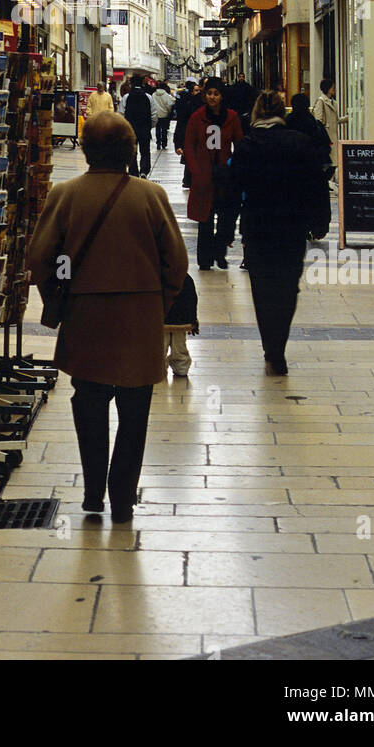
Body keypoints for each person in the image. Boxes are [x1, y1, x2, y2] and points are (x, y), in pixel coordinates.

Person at [28, 111, 188, 522]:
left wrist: (59, 295)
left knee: (90, 403)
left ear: (86, 150)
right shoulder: (151, 196)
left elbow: (41, 257)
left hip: (87, 317)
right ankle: (121, 498)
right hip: (140, 318)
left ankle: (93, 492)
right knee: (136, 412)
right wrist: (157, 303)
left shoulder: (65, 195)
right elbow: (176, 262)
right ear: (131, 150)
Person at [230, 90, 331, 376]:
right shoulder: (300, 143)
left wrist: (225, 228)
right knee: (287, 286)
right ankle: (279, 347)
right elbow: (317, 184)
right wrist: (320, 221)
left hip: (258, 227)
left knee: (262, 289)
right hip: (292, 226)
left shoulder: (247, 146)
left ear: (257, 113)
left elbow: (233, 190)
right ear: (281, 114)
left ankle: (269, 345)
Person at [185, 77, 243, 270]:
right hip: (204, 175)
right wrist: (195, 171)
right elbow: (189, 146)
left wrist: (234, 168)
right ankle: (205, 260)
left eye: (216, 94)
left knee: (226, 219)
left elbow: (240, 145)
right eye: (209, 93)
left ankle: (220, 251)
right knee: (205, 219)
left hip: (225, 176)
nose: (212, 97)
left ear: (222, 96)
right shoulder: (197, 117)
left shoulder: (232, 118)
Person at [120, 73, 155, 178]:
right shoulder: (148, 97)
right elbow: (154, 115)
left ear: (131, 84)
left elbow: (121, 114)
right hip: (144, 129)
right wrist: (150, 126)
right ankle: (144, 170)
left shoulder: (126, 97)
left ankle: (133, 171)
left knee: (132, 151)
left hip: (130, 130)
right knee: (145, 151)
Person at [164, 273, 199, 377]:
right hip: (180, 318)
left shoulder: (155, 277)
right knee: (179, 345)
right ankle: (181, 367)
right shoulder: (185, 278)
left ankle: (158, 369)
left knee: (161, 346)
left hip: (160, 318)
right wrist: (192, 319)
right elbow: (192, 299)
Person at [173, 79, 204, 188]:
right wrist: (178, 143)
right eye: (195, 90)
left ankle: (188, 179)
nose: (198, 92)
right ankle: (188, 179)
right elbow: (181, 123)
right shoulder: (189, 104)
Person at [312, 78, 339, 189]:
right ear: (328, 89)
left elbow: (335, 120)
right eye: (333, 88)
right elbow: (318, 120)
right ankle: (323, 182)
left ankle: (324, 182)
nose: (335, 90)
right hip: (327, 136)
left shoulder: (333, 102)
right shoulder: (321, 101)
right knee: (330, 163)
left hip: (332, 135)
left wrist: (348, 118)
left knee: (334, 163)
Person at [152, 81, 175, 151]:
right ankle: (164, 143)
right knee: (164, 130)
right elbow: (169, 105)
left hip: (156, 114)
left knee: (157, 129)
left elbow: (152, 104)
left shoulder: (154, 94)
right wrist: (169, 112)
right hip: (164, 114)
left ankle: (158, 143)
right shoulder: (166, 95)